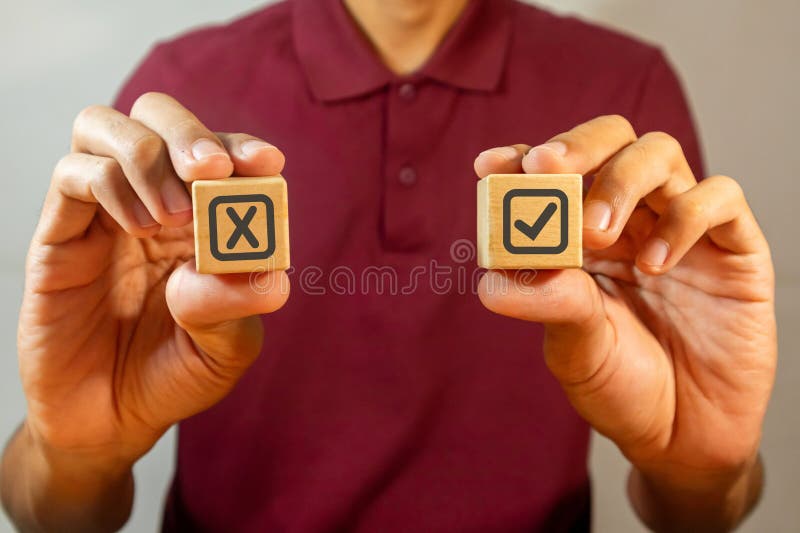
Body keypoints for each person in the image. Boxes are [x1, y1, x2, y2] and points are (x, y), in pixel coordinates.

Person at [0, 0, 777, 531]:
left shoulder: (623, 93)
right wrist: (72, 456)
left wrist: (707, 475)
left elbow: (699, 510)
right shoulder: (179, 91)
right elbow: (52, 513)